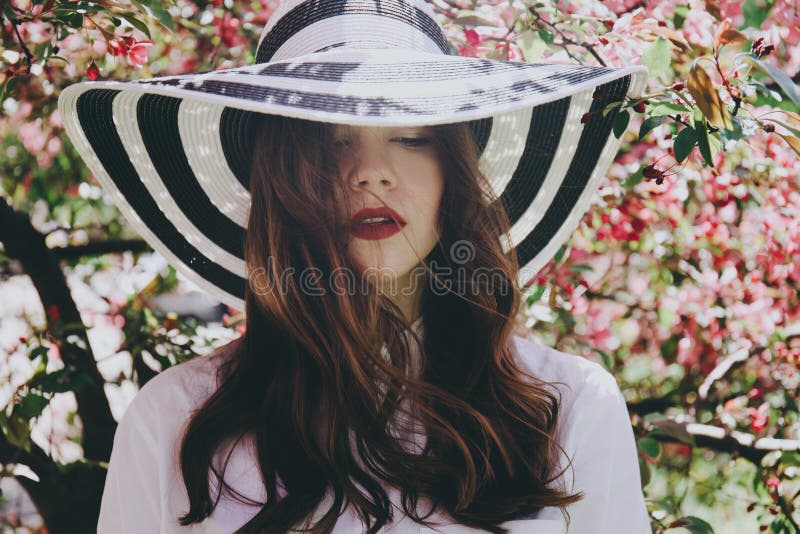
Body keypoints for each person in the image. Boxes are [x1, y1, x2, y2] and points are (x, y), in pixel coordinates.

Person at [58, 1, 652, 532]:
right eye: (330, 140)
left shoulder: (568, 410)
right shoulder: (175, 420)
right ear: (276, 178)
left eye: (411, 136)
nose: (371, 172)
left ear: (454, 175)